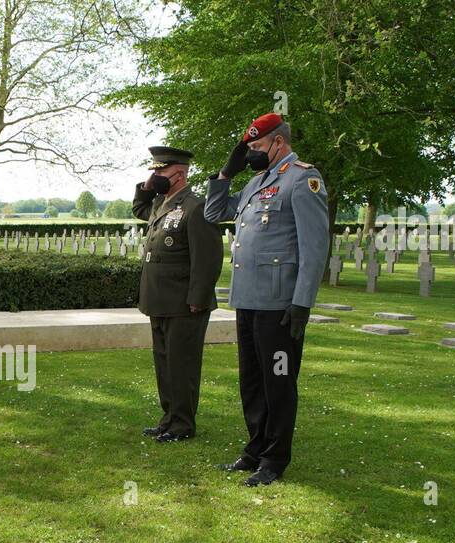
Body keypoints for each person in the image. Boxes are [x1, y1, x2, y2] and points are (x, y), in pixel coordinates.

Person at [204, 113, 328, 486]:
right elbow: (215, 213)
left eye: (256, 147)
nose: (252, 154)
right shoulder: (258, 181)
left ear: (279, 142)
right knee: (252, 380)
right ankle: (255, 449)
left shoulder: (303, 180)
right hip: (249, 299)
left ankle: (275, 458)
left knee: (278, 380)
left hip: (280, 305)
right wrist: (225, 175)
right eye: (249, 149)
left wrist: (302, 302)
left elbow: (315, 246)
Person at [132, 146, 223, 443]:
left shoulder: (196, 207)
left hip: (185, 302)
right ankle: (168, 418)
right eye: (154, 170)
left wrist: (198, 298)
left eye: (161, 171)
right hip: (158, 299)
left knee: (181, 364)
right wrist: (146, 187)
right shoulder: (161, 203)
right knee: (164, 362)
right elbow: (138, 209)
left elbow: (207, 259)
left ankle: (183, 424)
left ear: (180, 174)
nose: (155, 175)